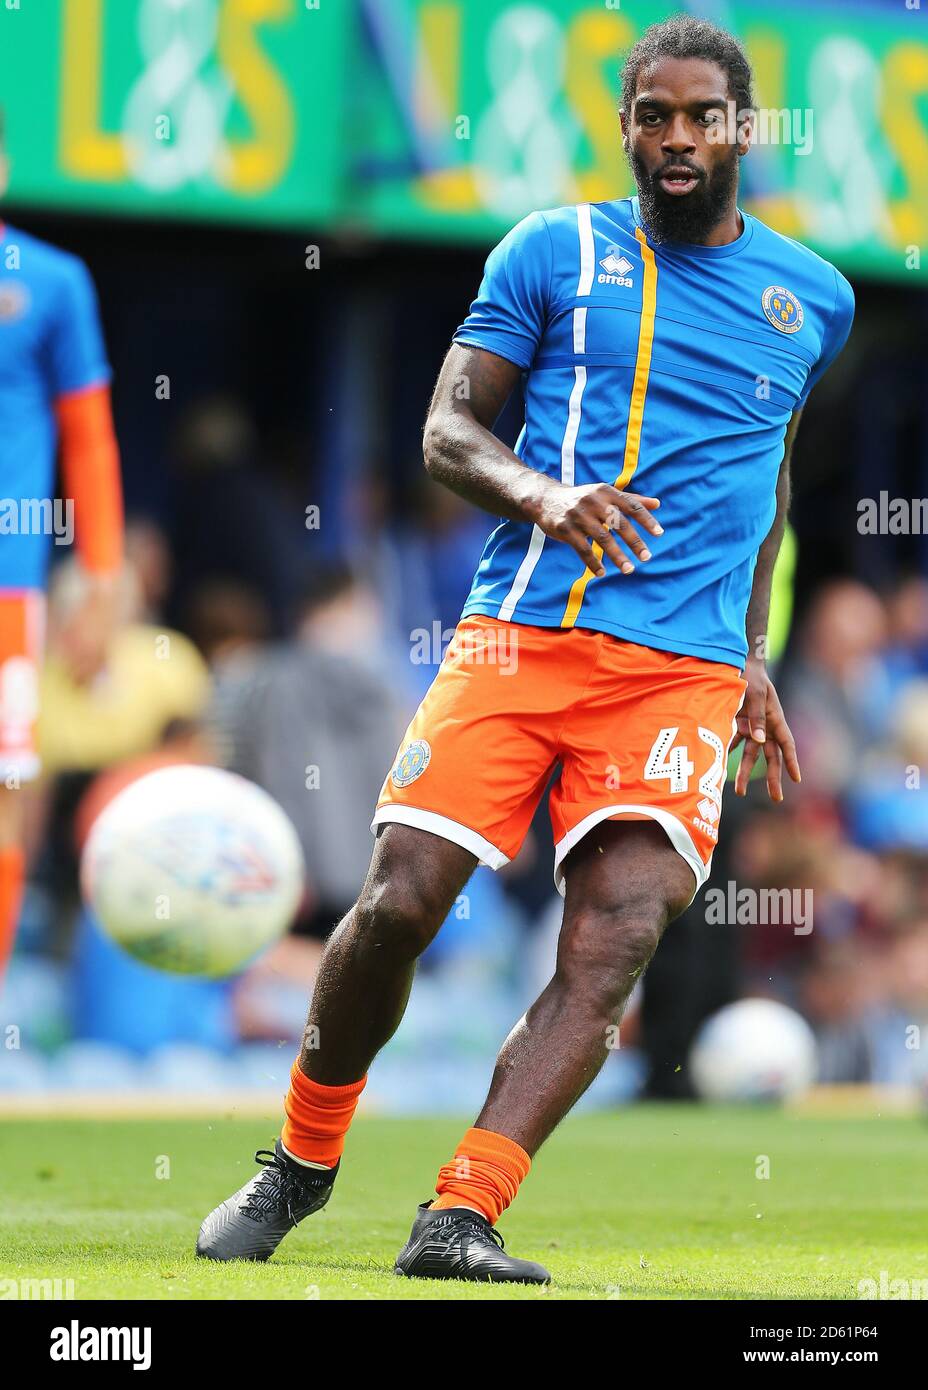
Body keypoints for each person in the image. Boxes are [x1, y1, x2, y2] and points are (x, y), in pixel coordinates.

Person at [197, 16, 854, 1283]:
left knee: (616, 936)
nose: (675, 137)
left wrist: (754, 649)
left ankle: (461, 1214)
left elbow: (762, 488)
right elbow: (448, 431)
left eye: (700, 117)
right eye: (650, 116)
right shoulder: (554, 250)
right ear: (624, 127)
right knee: (398, 901)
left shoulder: (811, 300)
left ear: (741, 129)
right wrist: (544, 497)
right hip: (522, 637)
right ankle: (300, 1160)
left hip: (679, 673)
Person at [0, 109, 123, 983]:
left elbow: (89, 440)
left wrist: (104, 578)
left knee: (8, 792)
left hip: (12, 592)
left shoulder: (50, 281)